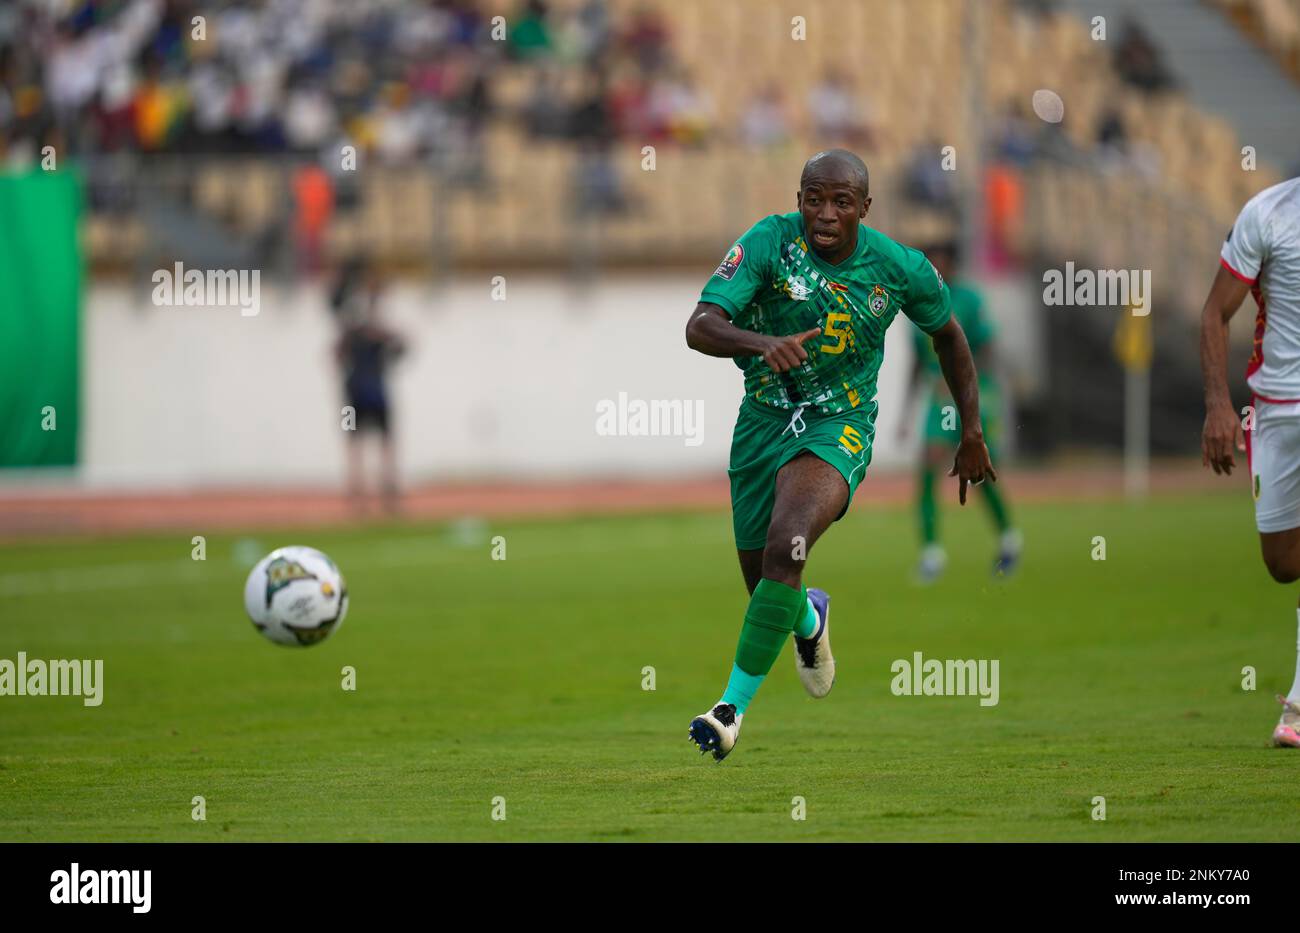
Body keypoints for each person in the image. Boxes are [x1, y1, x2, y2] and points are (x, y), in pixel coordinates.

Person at [683, 149, 994, 760]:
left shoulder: (899, 267)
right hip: (762, 427)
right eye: (813, 199)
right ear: (798, 198)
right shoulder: (769, 243)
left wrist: (973, 430)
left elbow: (950, 336)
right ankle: (810, 621)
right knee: (768, 586)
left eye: (841, 203)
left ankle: (729, 711)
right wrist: (760, 341)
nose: (824, 214)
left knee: (787, 542)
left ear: (865, 209)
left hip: (838, 426)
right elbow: (700, 325)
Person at [1201, 177, 1300, 747]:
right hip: (1278, 410)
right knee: (1283, 563)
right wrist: (1219, 404)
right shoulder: (1266, 213)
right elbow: (1215, 313)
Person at [900, 241, 1021, 582]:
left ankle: (1009, 539)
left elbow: (986, 347)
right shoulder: (917, 302)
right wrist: (906, 415)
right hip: (939, 402)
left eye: (940, 263)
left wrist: (968, 381)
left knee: (981, 472)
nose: (935, 270)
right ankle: (931, 554)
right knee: (928, 464)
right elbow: (916, 361)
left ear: (952, 265)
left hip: (971, 395)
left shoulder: (968, 299)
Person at [333, 258, 406, 514]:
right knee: (358, 440)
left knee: (382, 439)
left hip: (374, 387)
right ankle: (359, 493)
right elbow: (339, 350)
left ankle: (386, 490)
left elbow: (399, 348)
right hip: (358, 387)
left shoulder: (377, 320)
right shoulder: (354, 316)